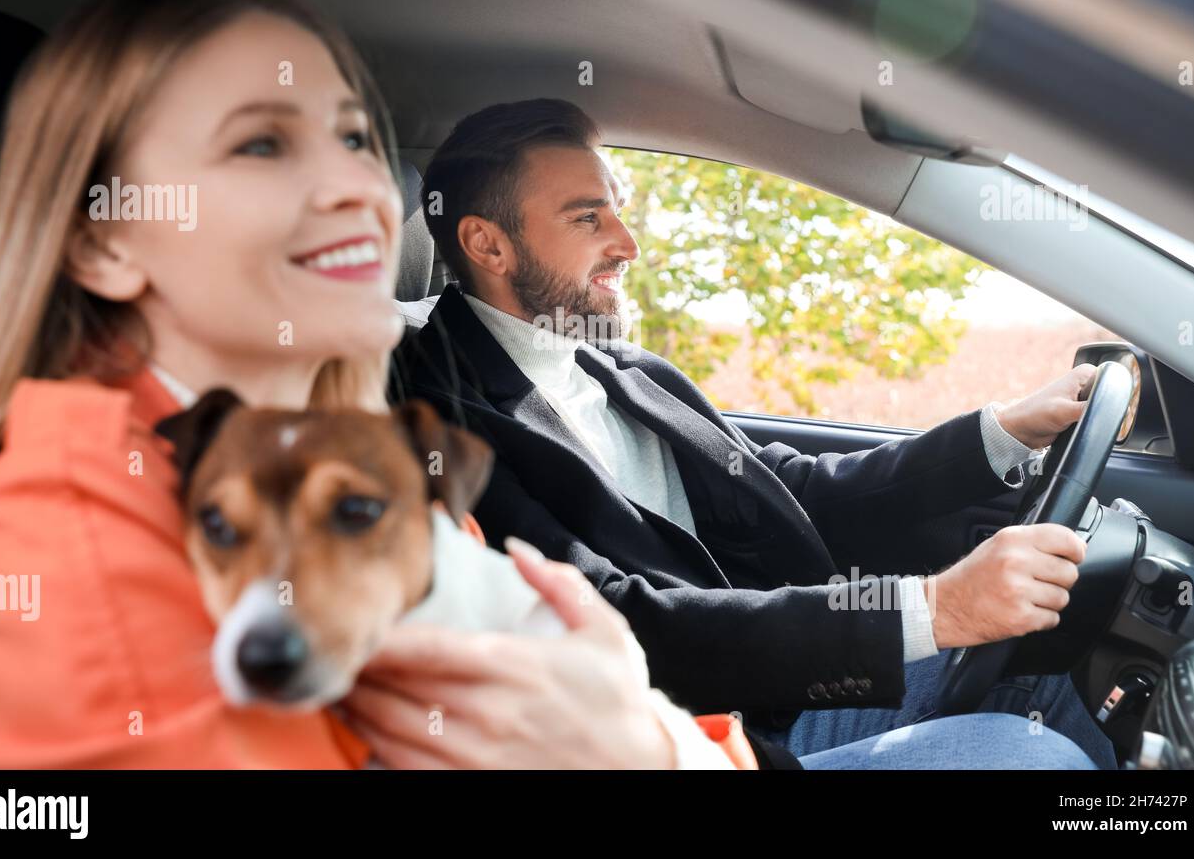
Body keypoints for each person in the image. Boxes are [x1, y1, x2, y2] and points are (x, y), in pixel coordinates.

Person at [0, 0, 754, 769]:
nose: (358, 188)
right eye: (261, 143)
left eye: (356, 138)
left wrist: (653, 744)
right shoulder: (54, 564)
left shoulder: (365, 464)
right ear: (105, 241)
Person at [396, 97, 1117, 768]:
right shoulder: (443, 423)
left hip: (776, 696)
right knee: (1030, 756)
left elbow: (789, 488)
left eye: (618, 210)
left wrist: (1004, 431)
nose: (628, 243)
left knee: (1037, 670)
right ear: (488, 246)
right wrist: (937, 608)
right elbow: (615, 624)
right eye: (588, 219)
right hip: (699, 738)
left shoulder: (616, 366)